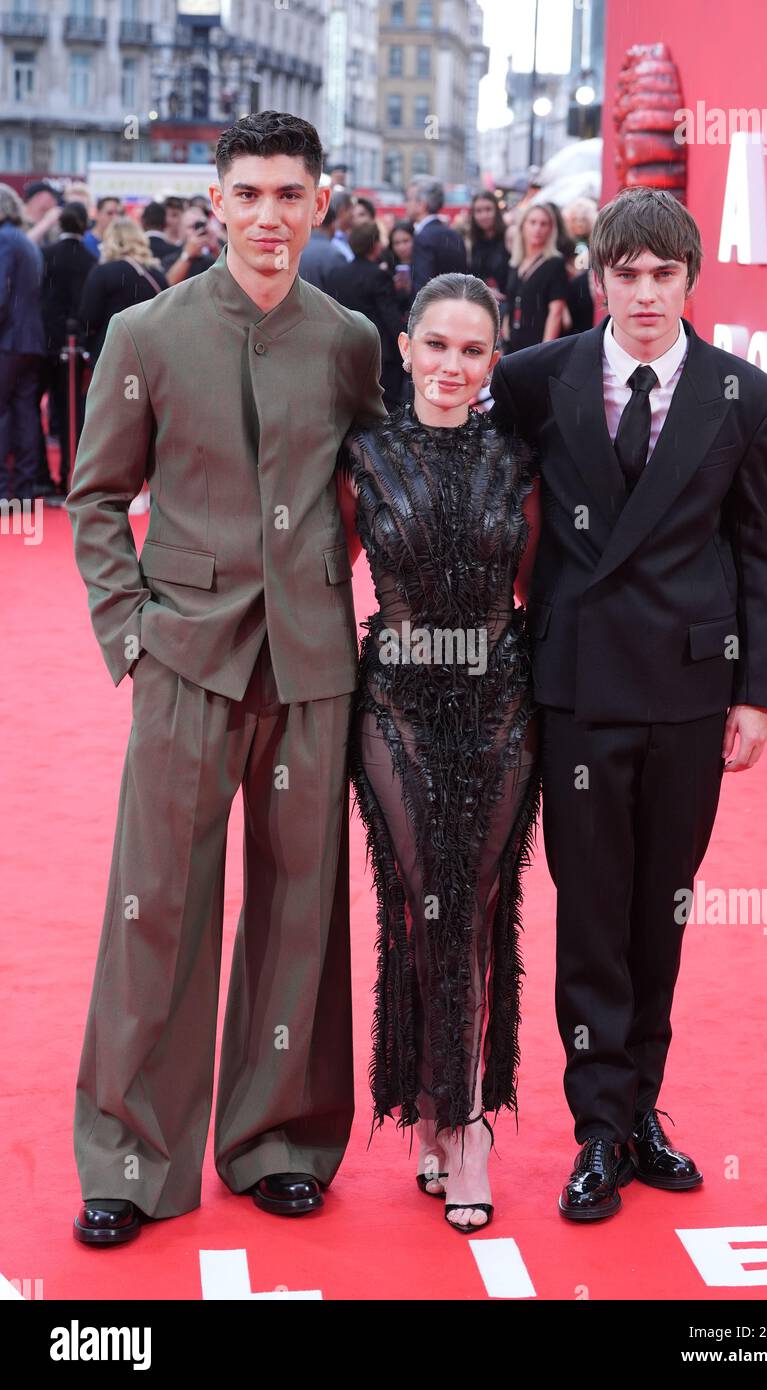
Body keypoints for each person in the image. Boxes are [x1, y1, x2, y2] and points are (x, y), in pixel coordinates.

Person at [66, 109, 387, 1246]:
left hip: (309, 664)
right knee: (154, 909)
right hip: (184, 661)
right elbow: (97, 496)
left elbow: (375, 482)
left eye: (286, 194)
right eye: (246, 193)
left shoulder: (351, 338)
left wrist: (318, 572)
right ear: (216, 199)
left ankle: (281, 1139)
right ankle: (128, 1156)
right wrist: (134, 631)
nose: (266, 215)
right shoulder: (146, 334)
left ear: (318, 201)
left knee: (299, 914)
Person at [490, 185, 767, 1221]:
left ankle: (641, 1111)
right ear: (597, 277)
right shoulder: (532, 381)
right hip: (575, 685)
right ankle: (597, 1128)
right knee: (589, 917)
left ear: (689, 279)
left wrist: (755, 694)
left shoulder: (745, 395)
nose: (646, 291)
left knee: (658, 911)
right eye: (626, 273)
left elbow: (752, 546)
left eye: (664, 273)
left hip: (689, 688)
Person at [336, 273, 543, 1232]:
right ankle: (444, 1113)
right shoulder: (363, 456)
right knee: (423, 907)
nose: (453, 366)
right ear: (406, 348)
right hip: (397, 706)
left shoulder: (520, 459)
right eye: (438, 346)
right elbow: (321, 585)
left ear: (492, 361)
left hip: (501, 703)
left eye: (473, 351)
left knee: (480, 905)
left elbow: (537, 590)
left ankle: (457, 1121)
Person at [39, 200, 97, 499]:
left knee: (56, 413)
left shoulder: (46, 255)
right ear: (85, 226)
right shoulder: (91, 258)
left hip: (49, 343)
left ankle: (52, 477)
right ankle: (72, 475)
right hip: (79, 345)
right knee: (77, 411)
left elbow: (40, 298)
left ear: (60, 225)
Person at [327, 221, 405, 409]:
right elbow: (389, 316)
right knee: (385, 405)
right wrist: (405, 344)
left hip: (347, 347)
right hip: (379, 351)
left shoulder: (337, 274)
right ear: (376, 245)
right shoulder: (378, 276)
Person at [0, 183, 46, 503]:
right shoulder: (27, 243)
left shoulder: (4, 239)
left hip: (8, 341)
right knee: (26, 414)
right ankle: (25, 493)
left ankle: (2, 492)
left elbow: (1, 296)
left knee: (3, 415)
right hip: (32, 340)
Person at [77, 216, 167, 365]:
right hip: (150, 352)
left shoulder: (102, 272)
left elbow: (89, 318)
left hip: (111, 351)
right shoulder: (157, 274)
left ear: (109, 240)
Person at [501, 202, 568, 353]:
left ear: (551, 229)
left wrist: (545, 351)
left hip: (537, 345)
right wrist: (505, 334)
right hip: (512, 343)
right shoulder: (515, 263)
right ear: (523, 226)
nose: (537, 229)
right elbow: (510, 300)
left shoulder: (555, 263)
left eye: (543, 224)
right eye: (533, 222)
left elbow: (556, 312)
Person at [406, 177, 467, 294]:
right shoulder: (454, 234)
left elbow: (423, 289)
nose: (406, 204)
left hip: (433, 308)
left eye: (409, 199)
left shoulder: (423, 238)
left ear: (421, 205)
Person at [468, 191, 510, 304]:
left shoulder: (509, 238)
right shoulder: (472, 242)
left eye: (488, 209)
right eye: (478, 211)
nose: (484, 215)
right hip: (480, 304)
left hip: (505, 303)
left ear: (496, 211)